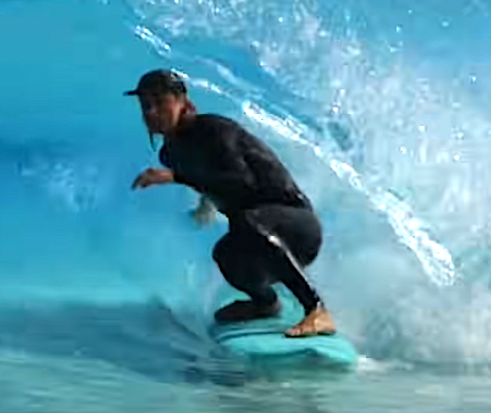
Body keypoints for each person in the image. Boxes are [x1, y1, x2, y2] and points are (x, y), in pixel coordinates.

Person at [125, 69, 337, 338]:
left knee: (248, 222)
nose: (151, 111)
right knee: (225, 254)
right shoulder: (171, 153)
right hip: (261, 236)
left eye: (159, 101)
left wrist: (175, 177)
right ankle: (265, 303)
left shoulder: (213, 129)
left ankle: (317, 309)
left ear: (182, 101)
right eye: (145, 105)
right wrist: (206, 205)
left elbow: (242, 181)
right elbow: (210, 177)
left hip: (298, 228)